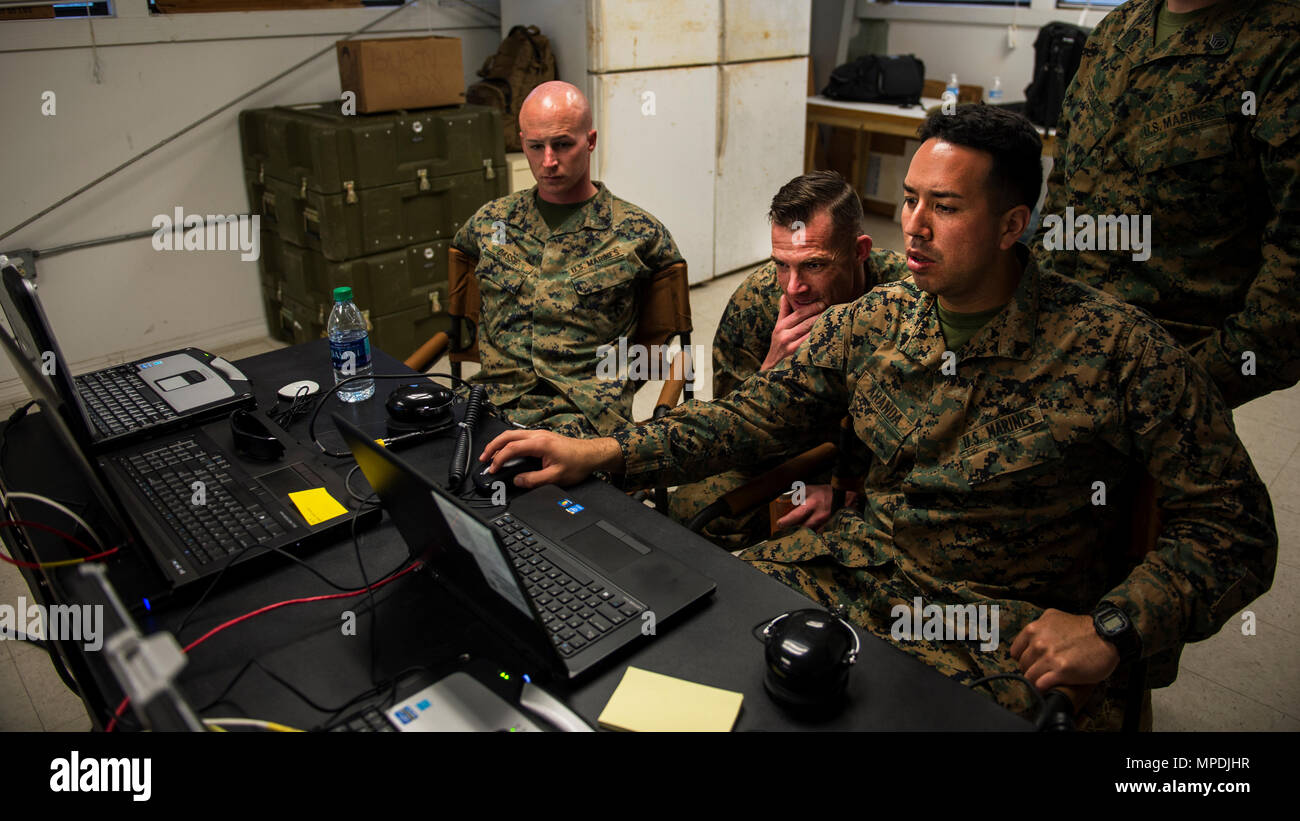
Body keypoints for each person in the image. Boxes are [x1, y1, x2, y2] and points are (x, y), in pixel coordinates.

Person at [478, 105, 1277, 729]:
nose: (916, 226)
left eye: (947, 207)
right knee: (694, 639)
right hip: (864, 566)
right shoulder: (881, 319)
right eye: (913, 200)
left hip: (1002, 619)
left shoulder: (1116, 348)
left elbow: (1234, 527)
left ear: (1012, 224)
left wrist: (1111, 626)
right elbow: (748, 421)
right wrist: (603, 449)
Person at [1033, 0, 1300, 408]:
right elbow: (1064, 186)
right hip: (1059, 353)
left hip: (1173, 377)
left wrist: (1197, 384)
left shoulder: (1281, 41)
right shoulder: (1117, 29)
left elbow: (1292, 256)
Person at [668, 171, 909, 548]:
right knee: (691, 508)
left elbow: (934, 440)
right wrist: (771, 372)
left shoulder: (905, 299)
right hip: (792, 459)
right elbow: (736, 443)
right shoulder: (757, 302)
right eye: (782, 264)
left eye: (814, 265)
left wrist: (853, 493)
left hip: (878, 472)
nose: (794, 286)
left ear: (859, 251)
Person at [451, 81, 683, 436]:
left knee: (538, 489)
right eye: (535, 146)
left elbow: (660, 344)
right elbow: (462, 320)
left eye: (562, 144)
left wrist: (624, 390)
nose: (548, 161)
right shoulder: (490, 224)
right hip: (491, 404)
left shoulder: (640, 234)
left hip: (584, 417)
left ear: (589, 141)